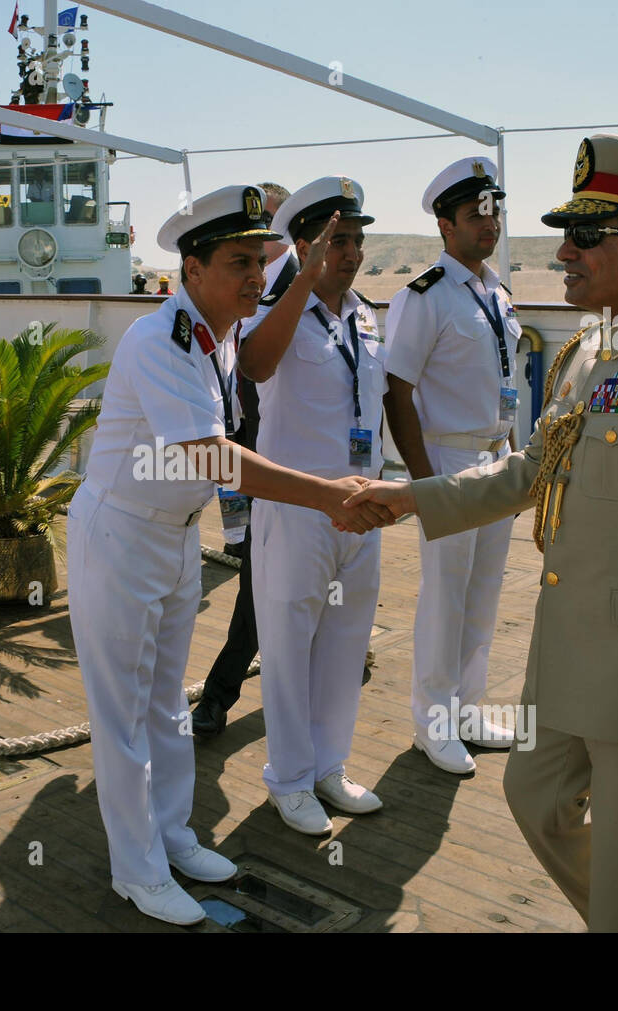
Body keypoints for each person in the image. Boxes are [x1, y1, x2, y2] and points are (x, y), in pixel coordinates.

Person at [346, 134, 618, 931]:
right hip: (565, 663)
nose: (563, 254)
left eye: (586, 237)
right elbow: (530, 472)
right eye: (565, 236)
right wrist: (411, 497)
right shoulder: (590, 352)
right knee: (534, 797)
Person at [68, 183, 389, 926]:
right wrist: (326, 494)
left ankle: (174, 836)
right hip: (120, 536)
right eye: (239, 263)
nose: (255, 276)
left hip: (177, 535)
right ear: (192, 268)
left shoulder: (223, 338)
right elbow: (212, 456)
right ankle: (137, 869)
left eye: (258, 260)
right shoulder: (160, 340)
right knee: (123, 714)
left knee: (166, 706)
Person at [237, 176, 387, 836]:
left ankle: (329, 765)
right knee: (289, 646)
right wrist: (301, 281)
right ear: (303, 245)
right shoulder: (278, 308)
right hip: (299, 507)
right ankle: (290, 779)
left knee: (345, 642)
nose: (351, 253)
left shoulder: (365, 315)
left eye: (356, 241)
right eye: (337, 241)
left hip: (362, 505)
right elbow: (254, 366)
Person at [382, 157, 519, 774]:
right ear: (445, 225)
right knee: (445, 596)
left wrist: (513, 454)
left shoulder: (496, 292)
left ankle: (466, 710)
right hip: (450, 458)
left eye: (493, 212)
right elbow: (397, 389)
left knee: (482, 593)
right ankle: (432, 724)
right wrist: (424, 480)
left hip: (496, 457)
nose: (489, 224)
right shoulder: (425, 296)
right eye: (474, 215)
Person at [192, 180, 289, 738]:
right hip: (248, 459)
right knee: (257, 579)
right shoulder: (230, 303)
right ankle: (218, 696)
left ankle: (220, 697)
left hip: (300, 464)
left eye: (269, 227)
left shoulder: (312, 291)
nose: (260, 244)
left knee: (291, 586)